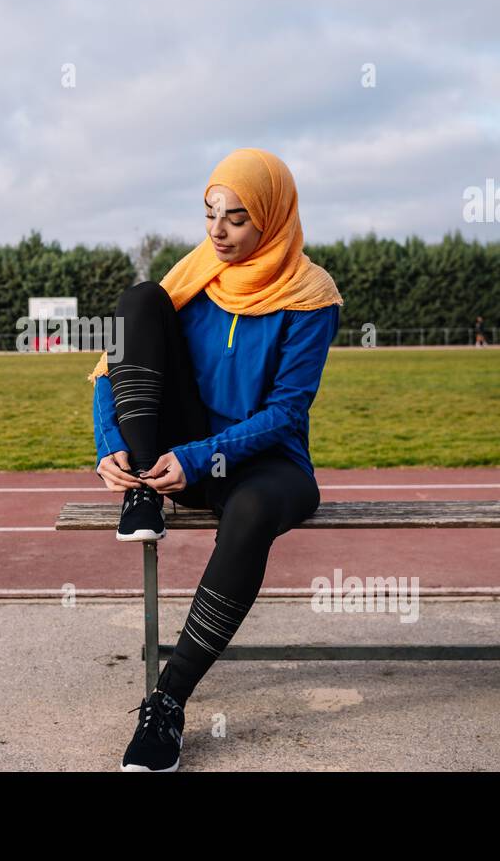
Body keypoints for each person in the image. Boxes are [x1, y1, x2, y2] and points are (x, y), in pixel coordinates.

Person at [86, 147, 343, 771]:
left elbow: (286, 412)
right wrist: (109, 445)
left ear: (272, 219)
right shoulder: (195, 273)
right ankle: (141, 492)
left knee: (253, 509)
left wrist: (199, 457)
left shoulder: (311, 295)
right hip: (175, 457)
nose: (218, 232)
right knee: (140, 299)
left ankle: (167, 704)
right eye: (209, 214)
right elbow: (110, 368)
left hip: (263, 463)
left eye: (235, 218)